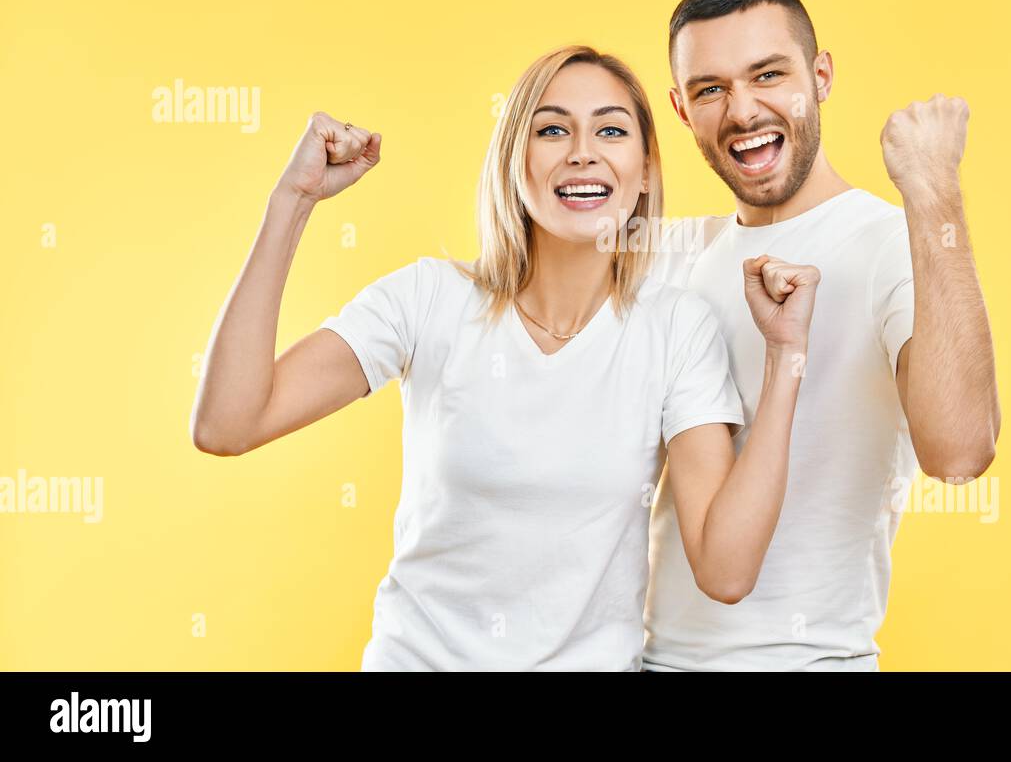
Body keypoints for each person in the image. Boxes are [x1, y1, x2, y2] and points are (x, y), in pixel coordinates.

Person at [190, 44, 821, 671]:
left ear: (646, 170)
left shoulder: (676, 329)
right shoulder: (428, 298)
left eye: (610, 129)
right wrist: (292, 201)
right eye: (552, 129)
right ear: (515, 162)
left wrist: (786, 355)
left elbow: (726, 569)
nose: (582, 150)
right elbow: (228, 425)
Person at [643, 0, 1002, 671]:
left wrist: (936, 195)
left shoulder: (891, 240)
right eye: (710, 88)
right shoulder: (682, 253)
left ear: (821, 74)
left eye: (768, 74)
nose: (742, 110)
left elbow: (960, 453)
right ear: (682, 111)